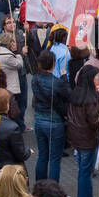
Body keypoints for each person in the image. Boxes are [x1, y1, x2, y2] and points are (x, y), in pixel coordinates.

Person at [67, 64, 99, 197]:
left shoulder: (76, 93)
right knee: (85, 172)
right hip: (88, 138)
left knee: (83, 169)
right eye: (96, 77)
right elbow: (95, 122)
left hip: (76, 137)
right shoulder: (91, 99)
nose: (98, 79)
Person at [30, 49, 69, 182]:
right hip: (55, 122)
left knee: (42, 155)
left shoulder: (34, 79)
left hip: (39, 120)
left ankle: (39, 186)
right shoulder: (57, 82)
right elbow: (68, 95)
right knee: (54, 159)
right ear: (53, 64)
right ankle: (52, 189)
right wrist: (64, 78)